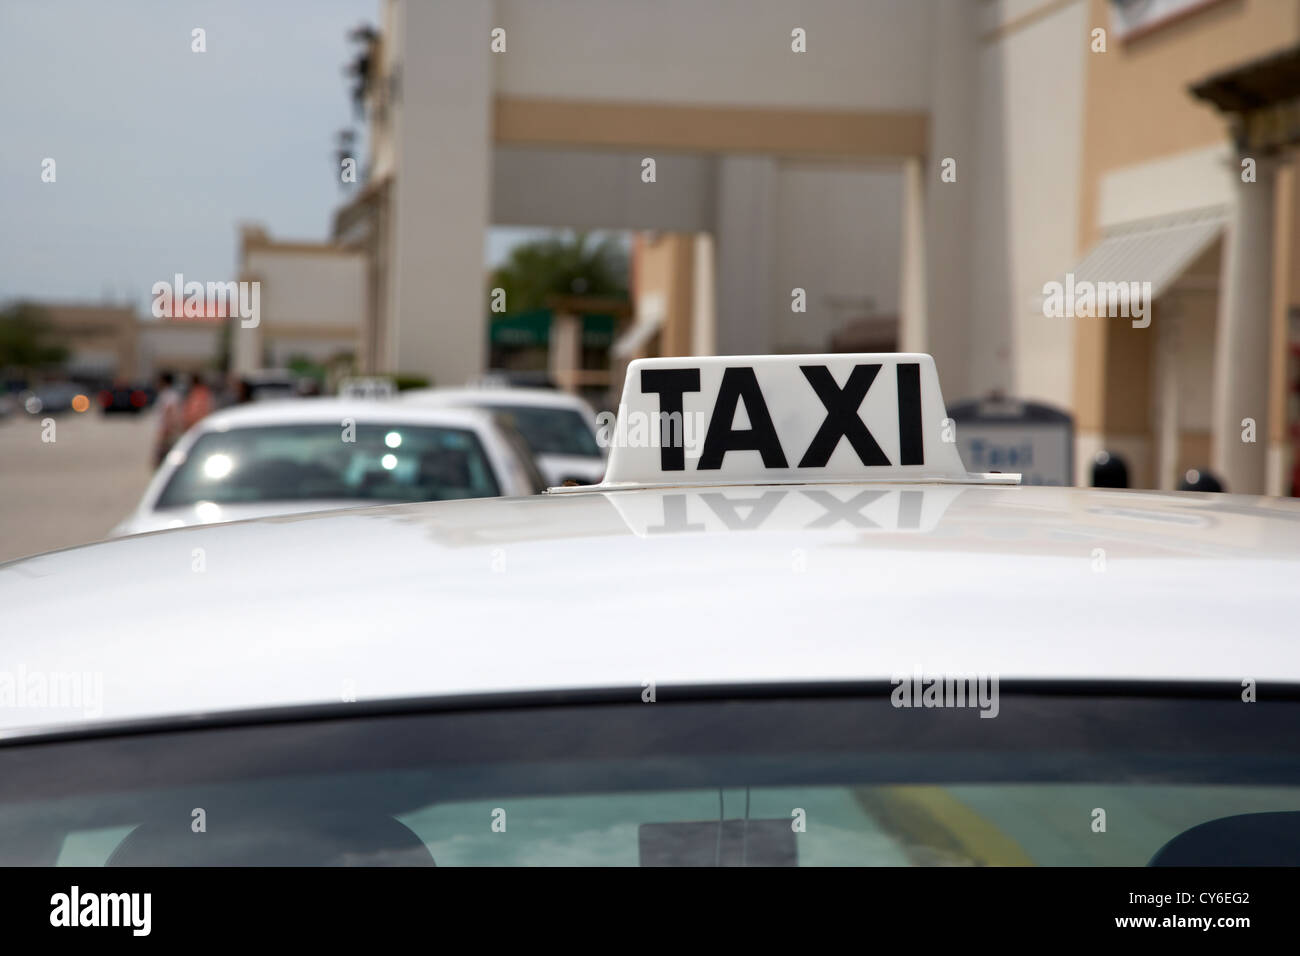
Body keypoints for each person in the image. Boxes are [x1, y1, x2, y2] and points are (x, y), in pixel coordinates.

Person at [152, 371, 184, 467]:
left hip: (166, 430)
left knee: (163, 458)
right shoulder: (168, 394)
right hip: (166, 429)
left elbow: (170, 411)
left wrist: (166, 428)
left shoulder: (169, 395)